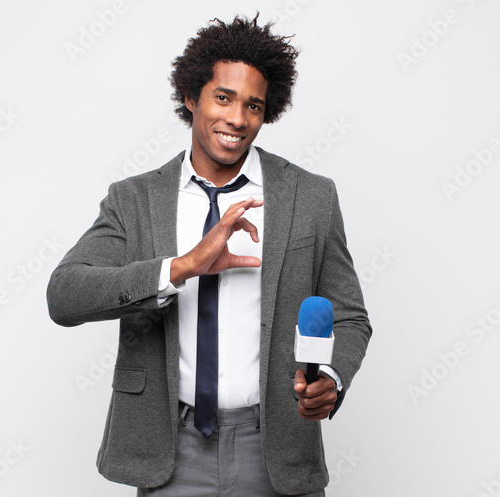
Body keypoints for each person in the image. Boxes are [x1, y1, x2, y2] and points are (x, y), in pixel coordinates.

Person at [47, 14, 371, 496]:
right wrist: (183, 267)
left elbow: (349, 316)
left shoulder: (311, 196)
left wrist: (331, 376)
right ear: (190, 97)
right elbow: (65, 296)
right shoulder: (134, 200)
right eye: (223, 97)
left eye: (253, 106)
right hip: (170, 450)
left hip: (276, 446)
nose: (238, 119)